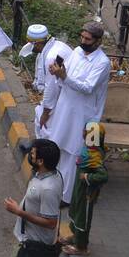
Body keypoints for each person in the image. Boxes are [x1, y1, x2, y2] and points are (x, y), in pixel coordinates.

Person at [44, 22, 112, 202]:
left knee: (73, 153)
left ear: (97, 41)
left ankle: (65, 198)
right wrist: (58, 72)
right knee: (57, 146)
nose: (83, 41)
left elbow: (88, 87)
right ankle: (51, 188)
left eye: (88, 39)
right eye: (82, 37)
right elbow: (66, 78)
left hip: (83, 114)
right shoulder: (76, 52)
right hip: (65, 108)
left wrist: (64, 77)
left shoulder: (102, 63)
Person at [3, 139, 62, 257]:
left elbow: (51, 223)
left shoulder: (48, 188)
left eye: (33, 153)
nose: (30, 155)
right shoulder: (47, 174)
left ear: (41, 161)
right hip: (28, 236)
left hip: (33, 242)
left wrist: (18, 211)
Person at [63, 120, 108, 256]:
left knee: (83, 219)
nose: (83, 134)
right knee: (76, 213)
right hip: (79, 191)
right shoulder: (88, 149)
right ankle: (76, 238)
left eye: (87, 132)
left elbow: (103, 176)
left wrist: (87, 177)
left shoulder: (94, 156)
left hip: (87, 195)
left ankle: (81, 247)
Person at [26, 24, 75, 139]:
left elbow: (51, 88)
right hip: (65, 93)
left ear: (37, 44)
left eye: (30, 44)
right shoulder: (57, 44)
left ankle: (42, 152)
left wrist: (46, 113)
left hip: (62, 96)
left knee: (44, 126)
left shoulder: (50, 58)